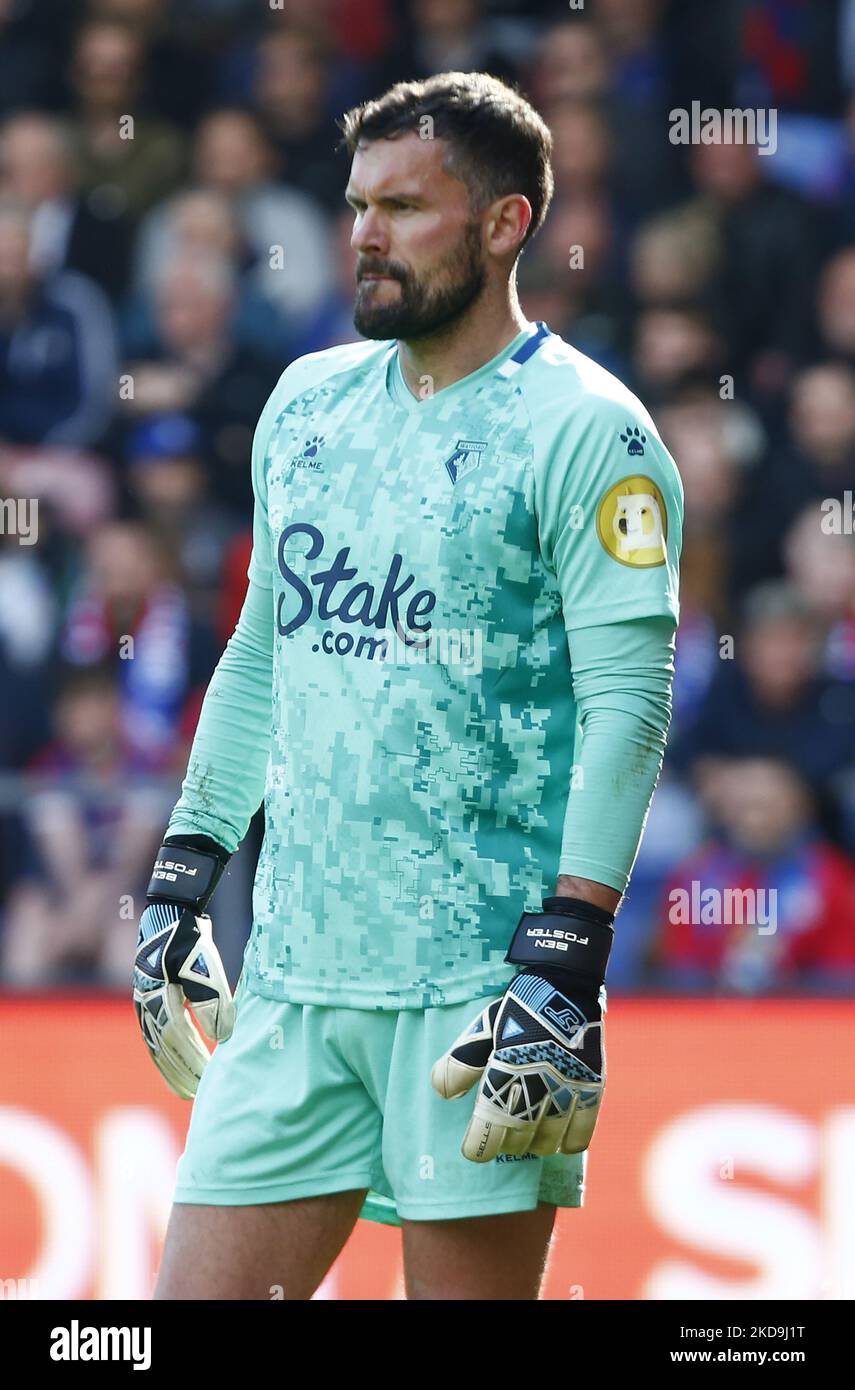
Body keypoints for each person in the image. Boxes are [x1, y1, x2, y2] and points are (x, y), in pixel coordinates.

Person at [133, 72, 683, 1301]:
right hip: (291, 978)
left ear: (505, 225)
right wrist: (184, 871)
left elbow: (628, 705)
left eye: (404, 207)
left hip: (479, 991)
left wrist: (566, 956)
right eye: (355, 205)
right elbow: (263, 652)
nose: (364, 236)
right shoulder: (304, 404)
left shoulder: (590, 431)